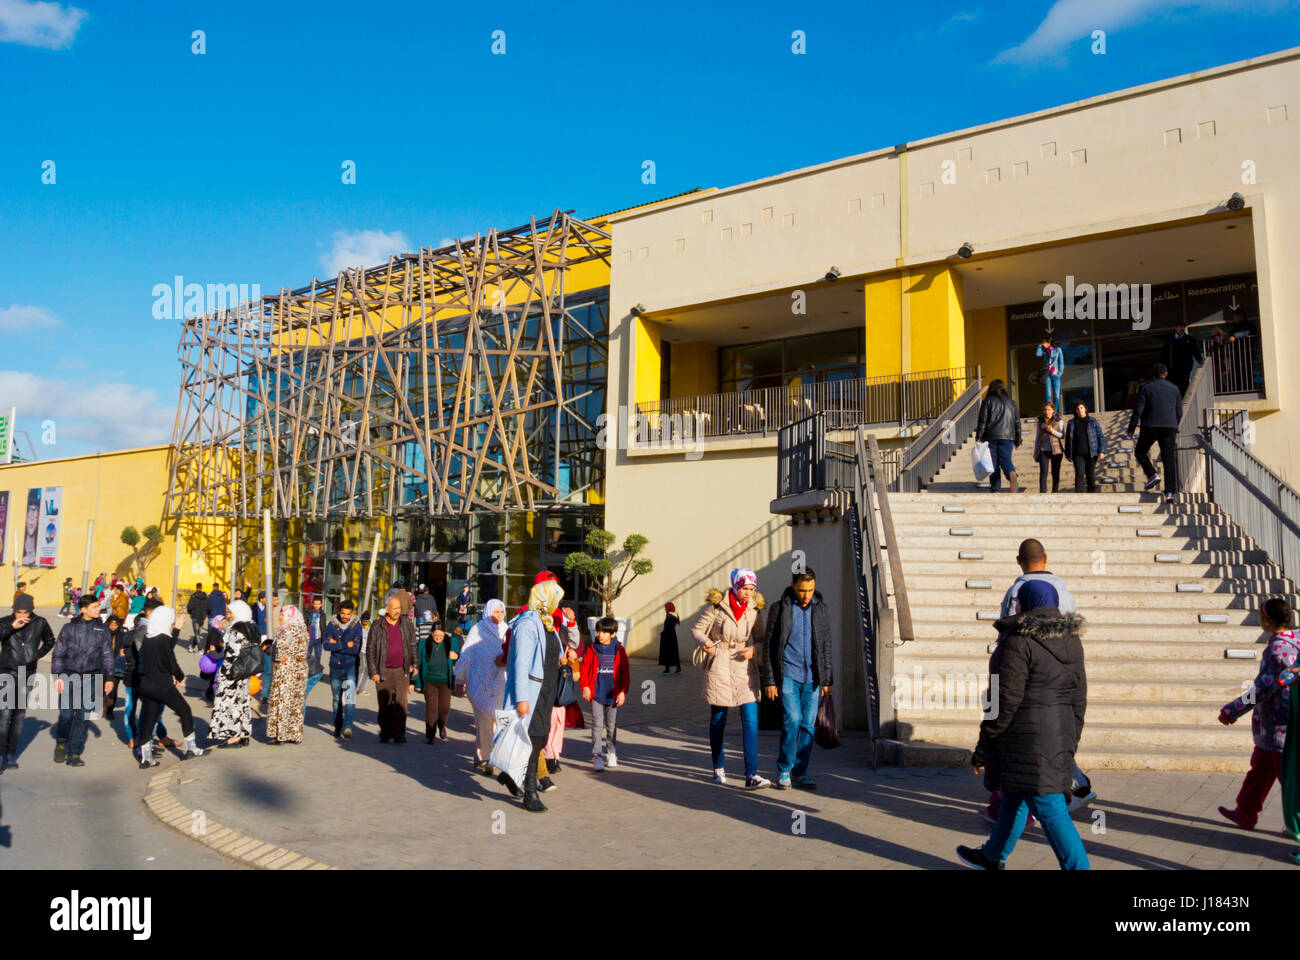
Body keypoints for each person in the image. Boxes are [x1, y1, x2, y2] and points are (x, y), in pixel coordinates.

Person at [957, 578, 1090, 870]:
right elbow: (1079, 698)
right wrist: (1071, 738)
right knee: (1013, 795)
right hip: (1057, 734)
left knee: (1050, 809)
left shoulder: (1017, 641)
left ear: (1025, 604)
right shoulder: (1072, 641)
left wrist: (983, 748)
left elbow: (1001, 702)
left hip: (1024, 740)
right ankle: (993, 856)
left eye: (1018, 601)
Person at [1217, 597, 1298, 831]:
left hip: (1278, 726)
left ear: (1267, 620)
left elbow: (1262, 689)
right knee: (1260, 772)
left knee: (1289, 779)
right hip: (1277, 728)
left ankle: (1296, 826)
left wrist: (1231, 711)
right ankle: (1245, 812)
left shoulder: (1276, 650)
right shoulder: (1297, 639)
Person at [693, 568, 771, 790]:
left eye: (752, 589)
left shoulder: (755, 609)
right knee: (718, 719)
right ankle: (718, 768)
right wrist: (706, 643)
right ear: (736, 586)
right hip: (720, 663)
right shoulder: (717, 606)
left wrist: (754, 650)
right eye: (745, 588)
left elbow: (761, 640)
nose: (748, 593)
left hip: (744, 668)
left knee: (751, 720)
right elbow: (697, 630)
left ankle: (751, 775)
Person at [762, 569, 833, 791]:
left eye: (810, 590)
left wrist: (827, 679)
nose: (806, 595)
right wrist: (770, 681)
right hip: (788, 676)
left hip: (812, 678)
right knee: (792, 719)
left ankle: (800, 772)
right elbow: (769, 646)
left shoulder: (821, 609)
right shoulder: (780, 609)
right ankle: (784, 769)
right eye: (802, 590)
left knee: (808, 725)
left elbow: (826, 646)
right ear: (793, 585)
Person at [502, 579, 565, 812]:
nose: (557, 604)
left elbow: (551, 654)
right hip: (531, 692)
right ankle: (530, 793)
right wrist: (521, 699)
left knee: (540, 737)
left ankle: (510, 775)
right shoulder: (527, 624)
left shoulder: (546, 622)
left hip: (547, 690)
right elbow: (520, 664)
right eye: (555, 599)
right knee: (532, 739)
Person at [135, 606, 207, 768]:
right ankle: (191, 748)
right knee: (185, 711)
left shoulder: (148, 638)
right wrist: (180, 676)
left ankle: (146, 758)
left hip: (146, 686)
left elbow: (166, 648)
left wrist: (176, 629)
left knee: (148, 719)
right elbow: (171, 662)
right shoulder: (163, 639)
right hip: (162, 686)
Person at [50, 593, 116, 767]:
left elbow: (107, 655)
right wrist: (57, 676)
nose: (98, 609)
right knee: (66, 714)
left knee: (83, 716)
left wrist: (109, 677)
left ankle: (75, 753)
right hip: (69, 675)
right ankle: (62, 742)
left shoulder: (103, 630)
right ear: (84, 609)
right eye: (94, 607)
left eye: (98, 606)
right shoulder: (68, 629)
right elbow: (58, 654)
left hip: (92, 676)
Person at [0, 593, 56, 772]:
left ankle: (10, 754)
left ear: (31, 611)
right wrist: (11, 626)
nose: (22, 616)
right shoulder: (5, 621)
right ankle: (0, 755)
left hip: (28, 673)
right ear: (14, 611)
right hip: (7, 671)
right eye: (18, 612)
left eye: (25, 613)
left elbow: (50, 640)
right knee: (5, 714)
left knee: (18, 715)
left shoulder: (40, 622)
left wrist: (36, 655)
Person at [455, 598, 508, 774]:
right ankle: (484, 757)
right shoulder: (478, 630)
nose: (499, 616)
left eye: (501, 612)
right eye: (496, 612)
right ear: (488, 612)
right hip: (479, 682)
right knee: (483, 721)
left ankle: (494, 756)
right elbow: (467, 655)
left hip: (501, 681)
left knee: (498, 720)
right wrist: (459, 680)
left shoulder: (507, 630)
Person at [1126, 362, 1183, 504]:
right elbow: (1179, 411)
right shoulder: (1175, 389)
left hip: (1150, 426)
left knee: (1140, 451)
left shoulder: (1145, 387)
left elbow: (1139, 408)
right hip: (1169, 426)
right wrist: (1174, 424)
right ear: (1166, 374)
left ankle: (1152, 474)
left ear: (1152, 374)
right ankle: (1170, 493)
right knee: (1168, 459)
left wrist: (1132, 427)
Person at [581, 615, 630, 772]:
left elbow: (624, 673)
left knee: (611, 725)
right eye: (598, 632)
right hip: (596, 693)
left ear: (613, 634)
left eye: (604, 632)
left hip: (613, 694)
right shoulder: (592, 649)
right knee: (597, 724)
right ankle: (597, 756)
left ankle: (611, 752)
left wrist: (622, 692)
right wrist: (585, 686)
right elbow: (585, 669)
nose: (600, 635)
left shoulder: (619, 650)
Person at [366, 595, 417, 744]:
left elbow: (413, 645)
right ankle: (385, 732)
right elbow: (370, 650)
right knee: (385, 704)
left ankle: (399, 734)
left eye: (399, 608)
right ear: (387, 609)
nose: (397, 611)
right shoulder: (377, 626)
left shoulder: (406, 624)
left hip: (402, 670)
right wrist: (373, 672)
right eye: (394, 608)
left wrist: (415, 664)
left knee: (401, 703)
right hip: (383, 671)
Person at [211, 600, 259, 748]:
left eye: (231, 612)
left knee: (230, 705)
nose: (229, 616)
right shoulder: (251, 626)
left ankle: (234, 737)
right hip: (244, 673)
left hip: (232, 674)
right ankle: (244, 734)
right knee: (242, 703)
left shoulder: (237, 630)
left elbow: (232, 653)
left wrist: (222, 674)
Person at [267, 605, 309, 745]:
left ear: (289, 616)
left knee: (281, 702)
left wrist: (274, 654)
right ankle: (294, 734)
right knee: (295, 704)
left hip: (285, 673)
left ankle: (280, 735)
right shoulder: (302, 629)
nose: (280, 618)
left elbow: (280, 651)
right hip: (300, 672)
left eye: (282, 615)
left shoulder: (287, 631)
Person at [414, 617, 460, 743]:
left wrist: (456, 656)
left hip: (445, 682)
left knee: (445, 708)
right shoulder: (424, 644)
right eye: (436, 635)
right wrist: (413, 680)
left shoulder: (452, 641)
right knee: (431, 708)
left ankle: (442, 725)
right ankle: (430, 734)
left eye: (441, 635)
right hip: (430, 681)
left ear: (445, 633)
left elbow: (462, 658)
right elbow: (416, 662)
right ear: (432, 633)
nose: (438, 638)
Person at [322, 599, 363, 739]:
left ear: (352, 614)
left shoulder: (356, 626)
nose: (345, 617)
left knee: (350, 698)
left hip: (350, 666)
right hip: (335, 667)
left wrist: (337, 643)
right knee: (336, 698)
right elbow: (326, 645)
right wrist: (347, 643)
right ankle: (337, 726)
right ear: (339, 611)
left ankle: (348, 726)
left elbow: (356, 649)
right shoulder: (331, 624)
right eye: (343, 613)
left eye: (348, 614)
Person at [975, 378, 1022, 494]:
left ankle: (995, 488)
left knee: (993, 463)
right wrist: (1018, 440)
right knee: (1005, 459)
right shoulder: (1012, 403)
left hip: (990, 436)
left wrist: (979, 437)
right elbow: (1017, 422)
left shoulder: (987, 401)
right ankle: (1011, 473)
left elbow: (983, 420)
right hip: (1008, 437)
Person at [1063, 400, 1107, 493]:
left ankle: (1092, 495)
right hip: (1077, 454)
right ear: (1075, 411)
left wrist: (1102, 450)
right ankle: (1079, 495)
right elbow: (1068, 439)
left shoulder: (1093, 421)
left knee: (1090, 474)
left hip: (1091, 453)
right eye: (1077, 409)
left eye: (1081, 408)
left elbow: (1100, 436)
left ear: (1085, 409)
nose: (1080, 410)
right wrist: (1067, 453)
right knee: (1079, 474)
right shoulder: (1071, 423)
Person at [1162, 320, 1204, 396]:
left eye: (1183, 327)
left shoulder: (1189, 339)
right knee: (1173, 387)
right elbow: (1164, 354)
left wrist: (1200, 360)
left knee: (1184, 386)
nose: (1182, 328)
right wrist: (1164, 367)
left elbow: (1195, 351)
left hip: (1185, 368)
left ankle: (1183, 401)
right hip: (1172, 369)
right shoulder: (1170, 340)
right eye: (1180, 327)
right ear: (1176, 328)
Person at [1033, 402, 1065, 494]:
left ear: (1053, 410)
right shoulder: (1040, 422)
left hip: (1056, 450)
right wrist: (1036, 451)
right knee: (1043, 473)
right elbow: (1037, 438)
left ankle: (1055, 492)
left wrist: (1052, 431)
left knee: (1055, 473)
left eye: (1049, 410)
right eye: (1045, 410)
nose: (1047, 412)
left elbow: (1062, 435)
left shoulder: (1059, 421)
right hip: (1043, 450)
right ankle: (1042, 493)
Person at [1036, 336, 1064, 408]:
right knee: (1048, 394)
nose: (1043, 344)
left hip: (1056, 374)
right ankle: (1049, 410)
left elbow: (1061, 362)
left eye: (1044, 342)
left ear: (1049, 342)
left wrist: (1060, 373)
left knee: (1056, 394)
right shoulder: (1044, 351)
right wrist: (1040, 346)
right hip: (1047, 374)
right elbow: (1038, 354)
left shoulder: (1058, 350)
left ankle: (1054, 412)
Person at [185, 583, 210, 653]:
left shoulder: (193, 596)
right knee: (197, 633)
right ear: (202, 588)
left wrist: (191, 613)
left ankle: (200, 649)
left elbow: (189, 607)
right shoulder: (206, 597)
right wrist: (206, 615)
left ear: (196, 588)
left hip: (195, 617)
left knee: (197, 633)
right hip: (202, 617)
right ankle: (192, 646)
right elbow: (209, 608)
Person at [658, 601, 681, 675]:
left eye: (665, 608)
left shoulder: (669, 616)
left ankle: (667, 670)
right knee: (674, 652)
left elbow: (667, 628)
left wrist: (662, 634)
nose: (665, 609)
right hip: (673, 636)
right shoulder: (675, 615)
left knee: (666, 653)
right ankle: (678, 668)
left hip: (667, 637)